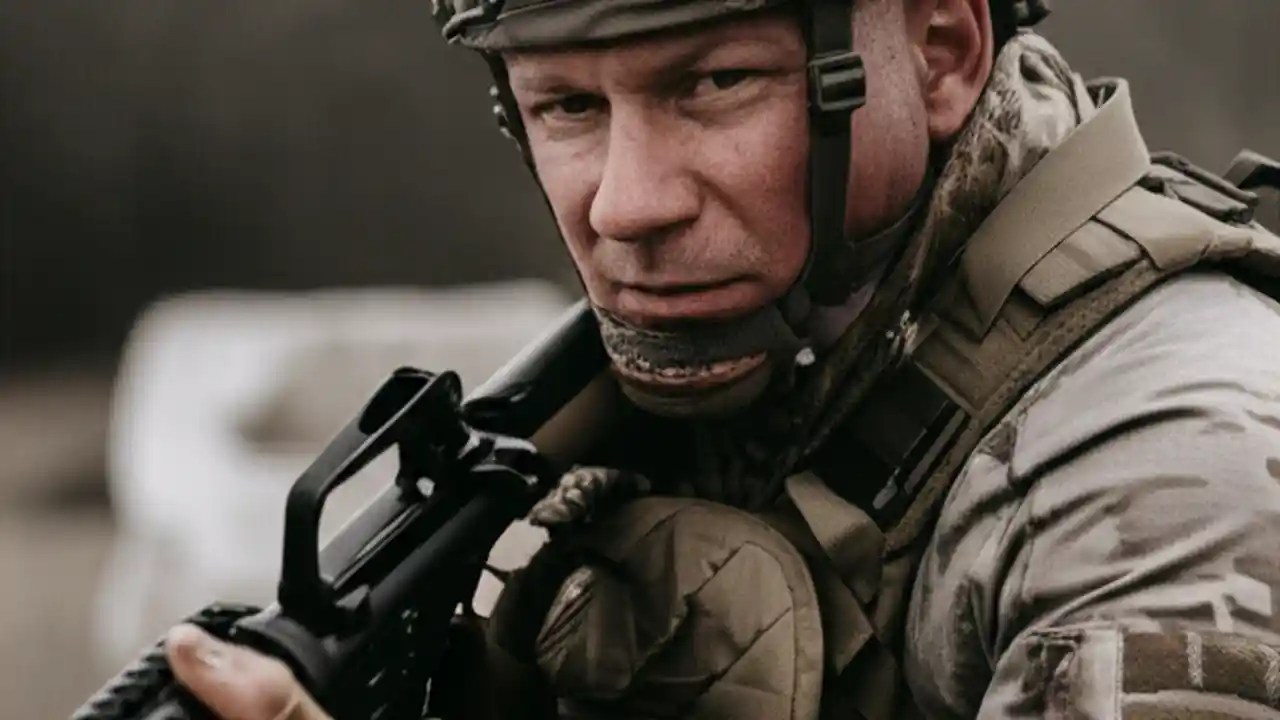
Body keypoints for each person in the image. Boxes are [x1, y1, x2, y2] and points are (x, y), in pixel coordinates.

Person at [164, 0, 1280, 717]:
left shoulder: (1176, 461)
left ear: (938, 54)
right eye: (565, 105)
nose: (626, 203)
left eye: (713, 83)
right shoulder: (735, 365)